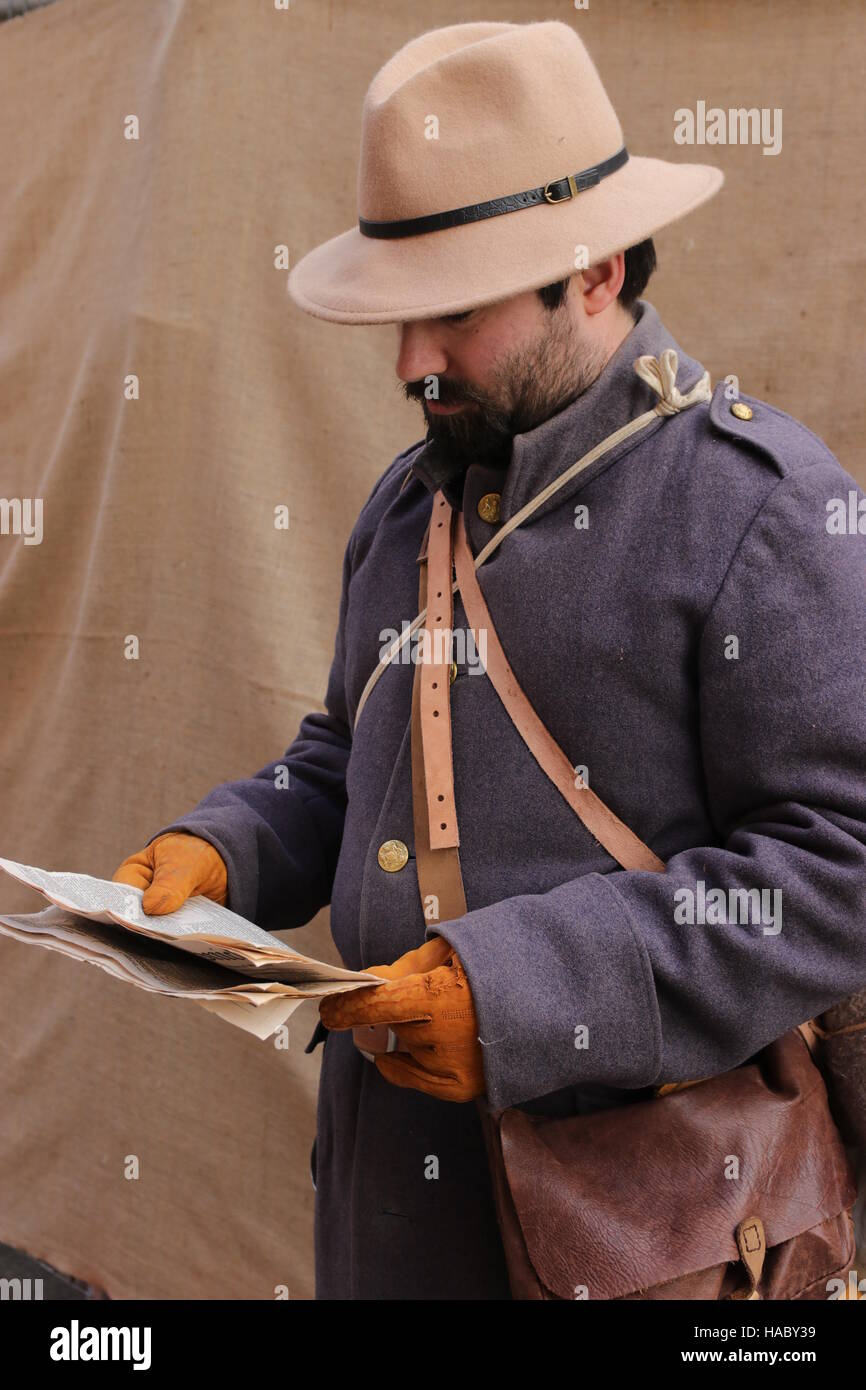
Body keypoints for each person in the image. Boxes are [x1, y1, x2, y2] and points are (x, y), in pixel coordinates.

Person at [113, 21, 866, 1299]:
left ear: (593, 271)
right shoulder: (412, 502)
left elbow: (838, 868)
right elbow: (355, 754)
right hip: (388, 1224)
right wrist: (228, 848)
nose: (410, 365)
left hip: (648, 1235)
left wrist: (516, 991)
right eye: (402, 318)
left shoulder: (760, 504)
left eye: (450, 315)